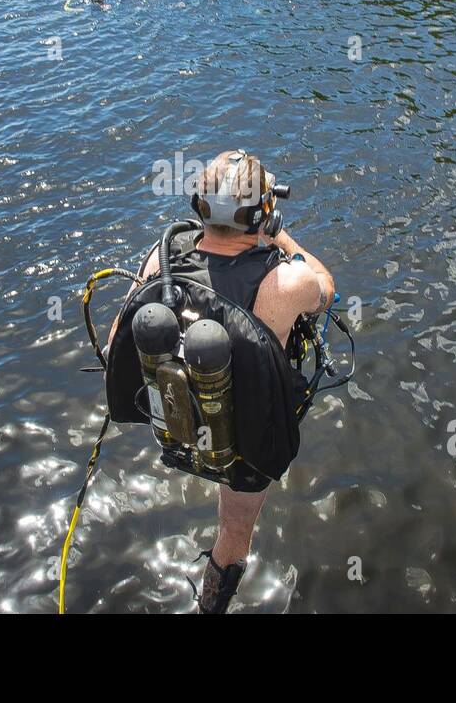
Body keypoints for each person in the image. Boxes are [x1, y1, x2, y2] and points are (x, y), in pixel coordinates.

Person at [109, 150, 335, 613]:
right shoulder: (286, 282)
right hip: (244, 447)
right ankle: (212, 604)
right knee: (235, 533)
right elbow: (326, 288)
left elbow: (117, 342)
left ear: (200, 205)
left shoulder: (163, 256)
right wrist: (279, 234)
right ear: (264, 211)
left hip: (176, 427)